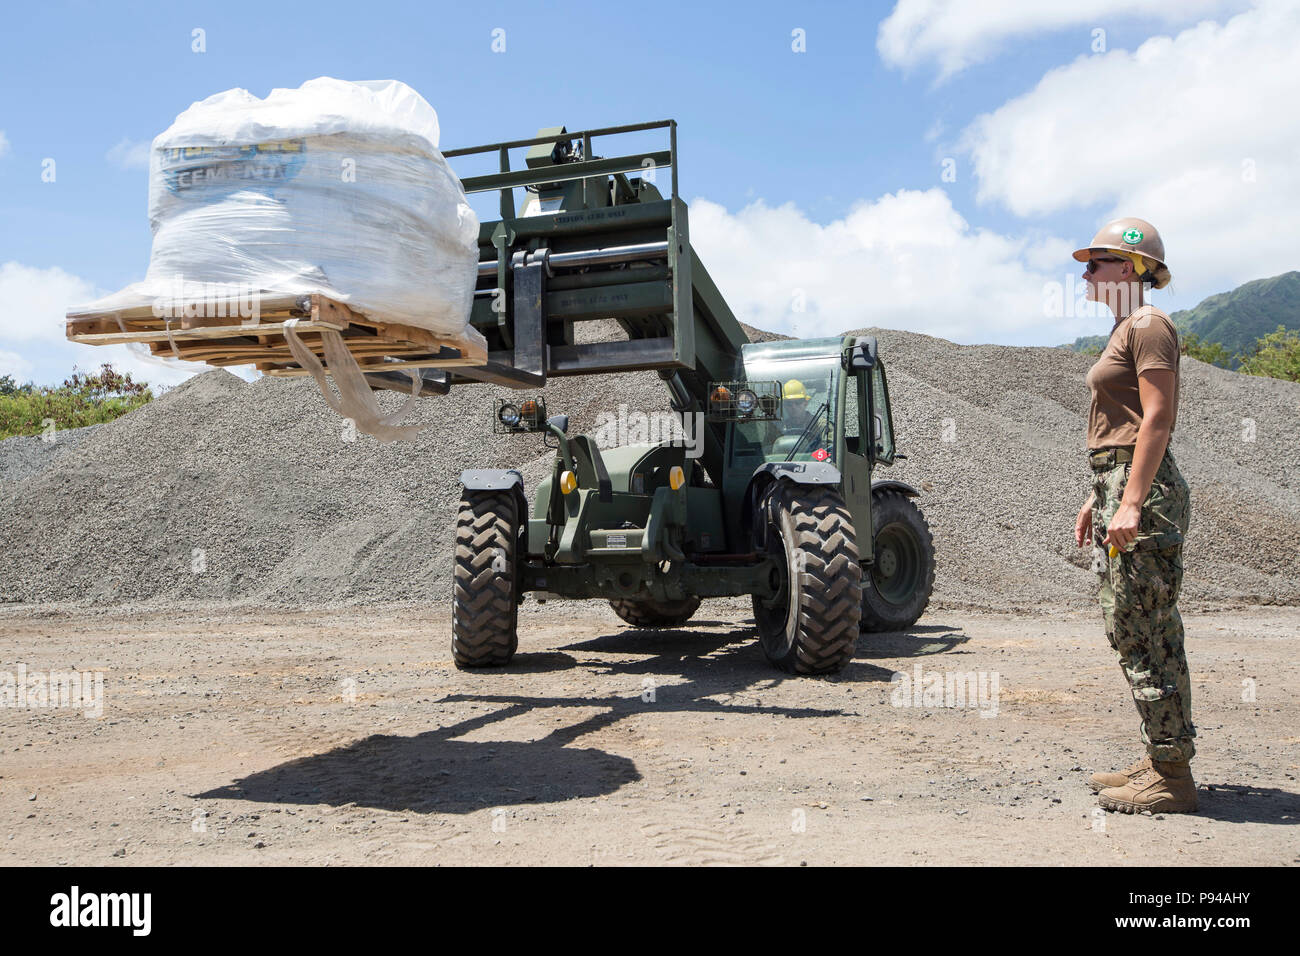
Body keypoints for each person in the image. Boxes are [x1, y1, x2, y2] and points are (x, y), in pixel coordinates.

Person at [1071, 217, 1197, 814]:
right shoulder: (1126, 327)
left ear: (1130, 267)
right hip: (1119, 482)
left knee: (1147, 628)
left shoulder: (1147, 325)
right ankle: (1156, 756)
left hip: (1140, 491)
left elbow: (1157, 419)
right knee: (1127, 624)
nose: (1086, 273)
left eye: (1096, 263)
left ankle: (1172, 776)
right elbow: (1121, 428)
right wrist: (1102, 496)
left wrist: (1130, 500)